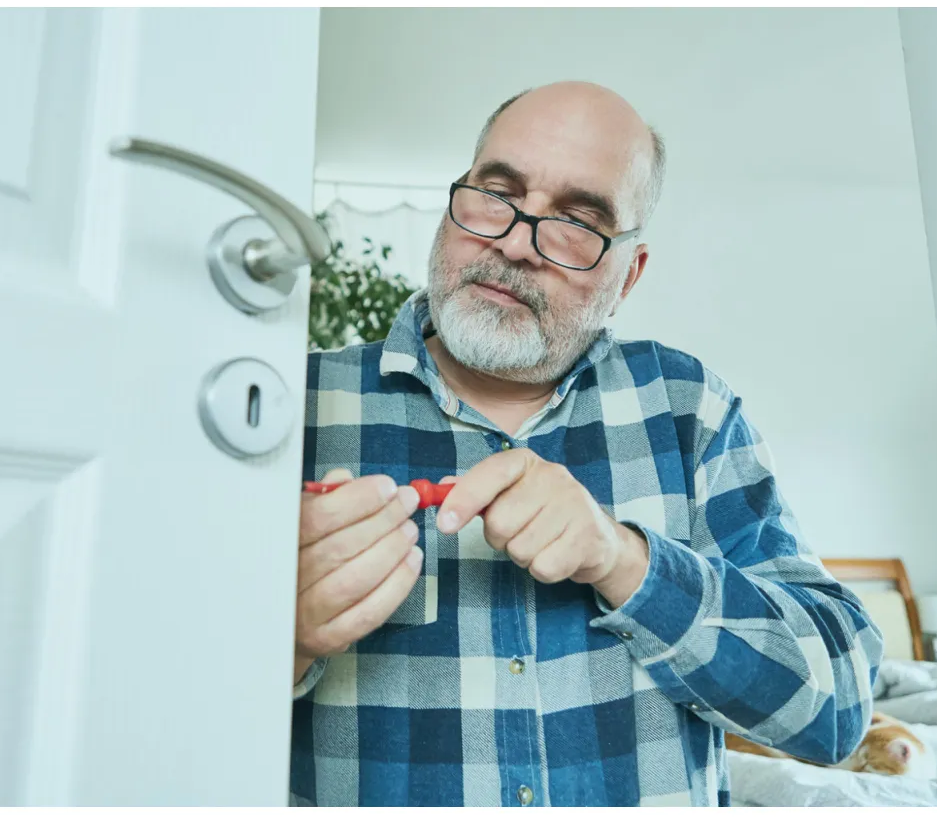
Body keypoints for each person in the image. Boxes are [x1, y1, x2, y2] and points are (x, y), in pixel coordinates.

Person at [290, 81, 883, 807]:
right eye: (496, 193)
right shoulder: (299, 405)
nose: (514, 244)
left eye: (577, 222)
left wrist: (623, 558)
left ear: (627, 275)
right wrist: (279, 641)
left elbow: (837, 711)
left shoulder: (688, 409)